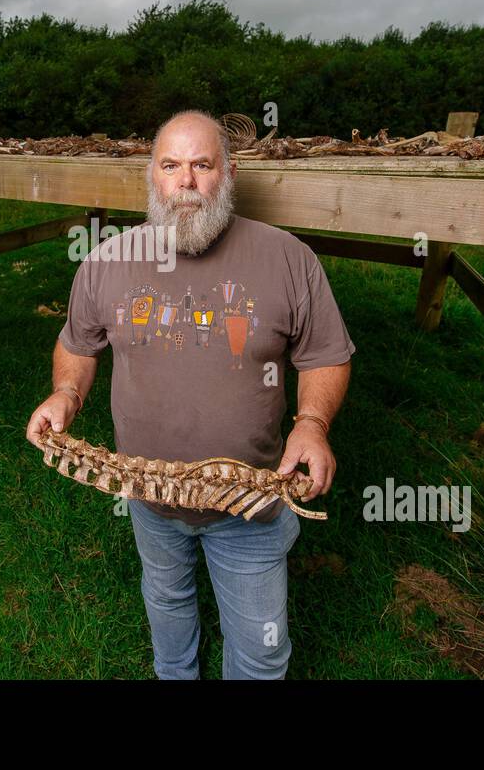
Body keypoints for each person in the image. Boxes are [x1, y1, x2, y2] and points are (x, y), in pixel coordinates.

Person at [25, 110, 355, 679]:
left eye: (202, 164)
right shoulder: (107, 261)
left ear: (227, 175)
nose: (187, 182)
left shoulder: (286, 258)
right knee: (168, 602)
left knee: (259, 648)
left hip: (248, 506)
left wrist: (312, 424)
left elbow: (325, 353)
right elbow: (77, 344)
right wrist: (64, 395)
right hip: (147, 496)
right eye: (171, 165)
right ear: (152, 176)